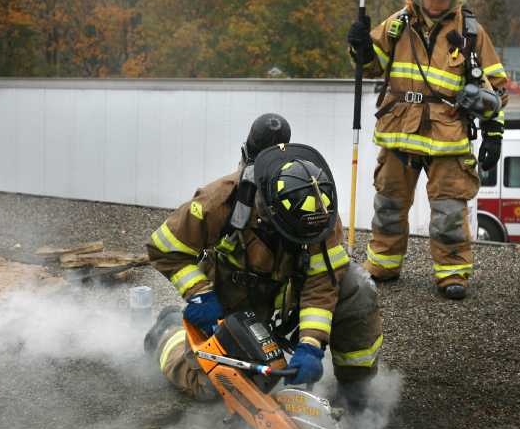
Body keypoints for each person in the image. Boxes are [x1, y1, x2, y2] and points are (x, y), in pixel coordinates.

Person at [143, 114, 383, 410]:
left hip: (289, 296)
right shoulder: (218, 201)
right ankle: (167, 332)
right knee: (212, 388)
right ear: (268, 209)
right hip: (233, 300)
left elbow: (322, 282)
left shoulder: (316, 208)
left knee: (356, 286)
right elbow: (163, 248)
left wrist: (310, 343)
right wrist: (199, 294)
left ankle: (354, 389)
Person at [346, 0, 509, 300]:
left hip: (448, 136)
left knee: (449, 211)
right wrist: (359, 45)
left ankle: (452, 273)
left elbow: (496, 88)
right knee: (388, 203)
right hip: (398, 131)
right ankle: (383, 264)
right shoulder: (398, 24)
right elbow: (370, 65)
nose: (437, 2)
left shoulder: (471, 32)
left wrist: (494, 135)